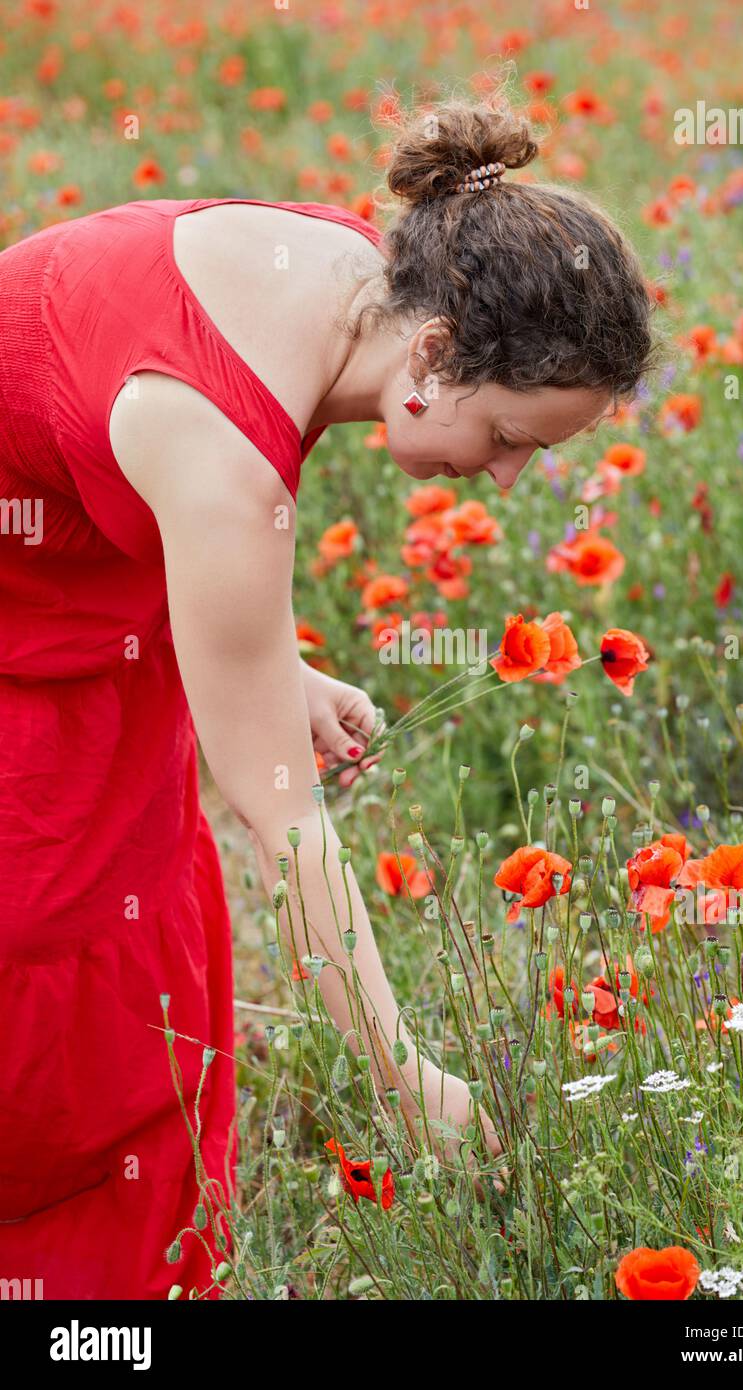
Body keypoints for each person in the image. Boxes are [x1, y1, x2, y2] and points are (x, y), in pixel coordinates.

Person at [0, 91, 655, 1299]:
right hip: (26, 626)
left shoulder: (369, 279)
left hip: (78, 578)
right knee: (46, 971)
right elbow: (284, 820)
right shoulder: (216, 452)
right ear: (433, 358)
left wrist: (275, 667)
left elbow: (121, 445)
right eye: (514, 436)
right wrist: (415, 1082)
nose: (509, 478)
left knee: (134, 937)